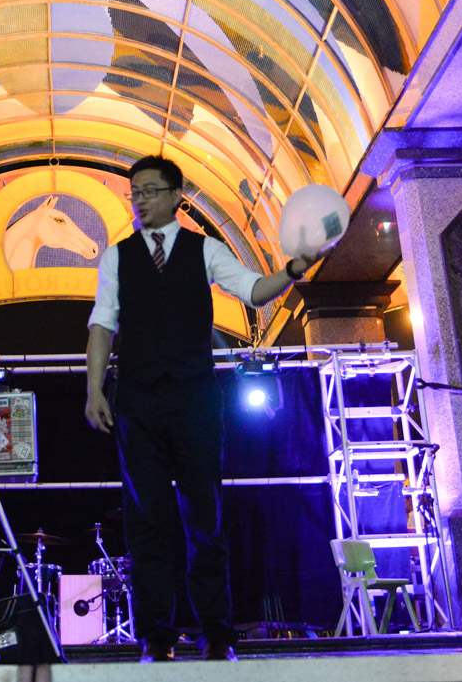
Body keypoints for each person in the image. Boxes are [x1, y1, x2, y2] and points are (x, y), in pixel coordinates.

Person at [83, 156, 318, 662]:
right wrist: (94, 390)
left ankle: (216, 633)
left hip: (193, 397)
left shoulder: (205, 250)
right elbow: (102, 325)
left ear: (176, 195)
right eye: (134, 192)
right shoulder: (116, 257)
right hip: (138, 399)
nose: (139, 200)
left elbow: (255, 292)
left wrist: (292, 271)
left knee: (204, 515)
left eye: (148, 191)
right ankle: (156, 637)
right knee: (145, 519)